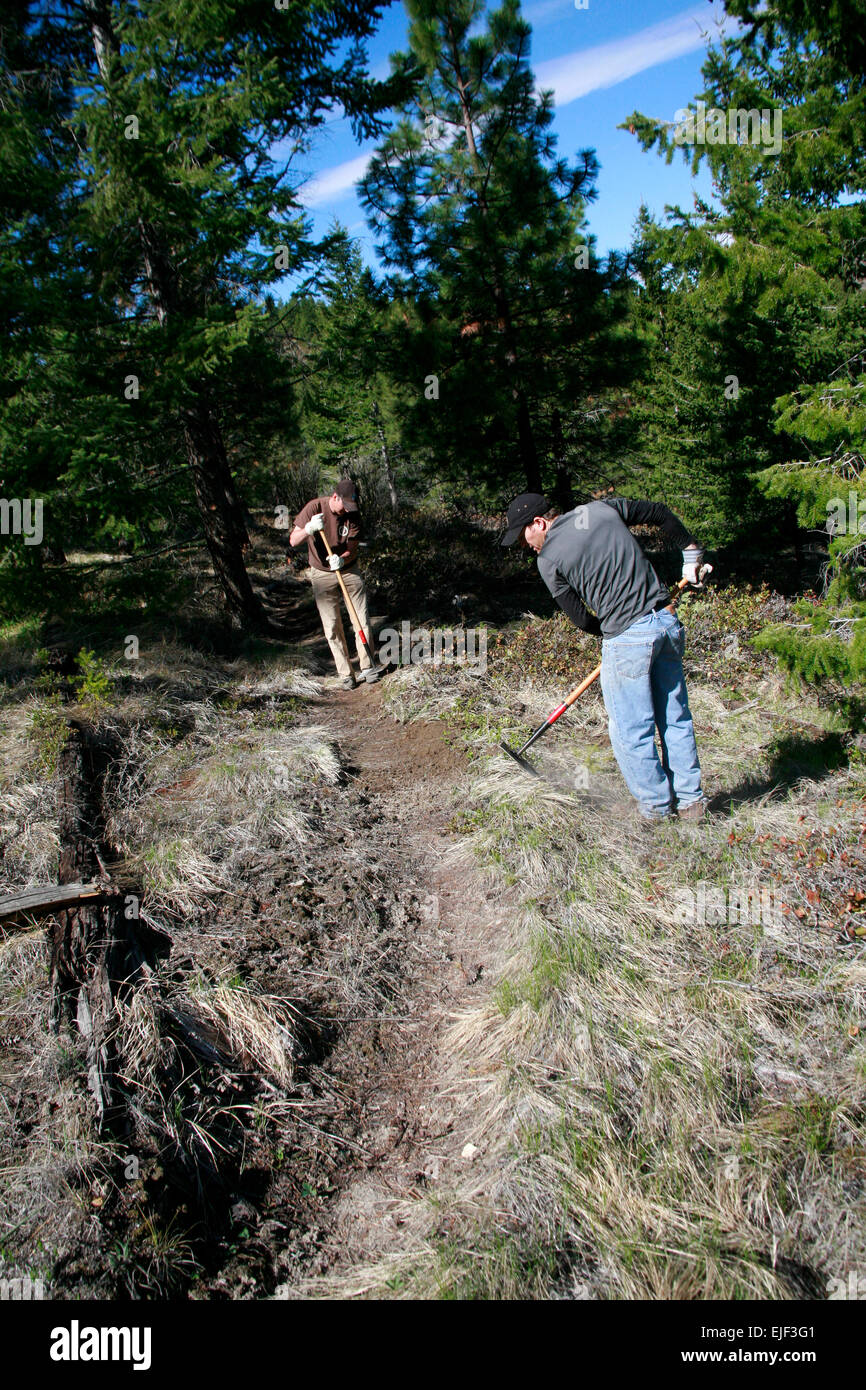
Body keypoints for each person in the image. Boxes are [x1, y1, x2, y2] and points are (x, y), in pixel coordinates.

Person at [500, 492, 707, 821]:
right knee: (675, 718)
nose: (526, 548)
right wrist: (691, 553)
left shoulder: (548, 560)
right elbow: (659, 511)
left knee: (630, 729)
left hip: (627, 638)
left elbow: (581, 619)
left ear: (539, 523)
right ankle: (691, 802)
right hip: (666, 622)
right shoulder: (601, 509)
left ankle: (655, 808)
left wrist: (616, 635)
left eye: (524, 538)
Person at [288, 480, 379, 689]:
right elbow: (294, 540)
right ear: (335, 497)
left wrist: (343, 559)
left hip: (348, 568)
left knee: (361, 618)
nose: (347, 510)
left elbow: (352, 548)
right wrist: (309, 528)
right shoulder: (314, 507)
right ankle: (346, 673)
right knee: (331, 625)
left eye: (351, 506)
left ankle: (367, 666)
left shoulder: (353, 515)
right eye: (344, 505)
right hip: (321, 571)